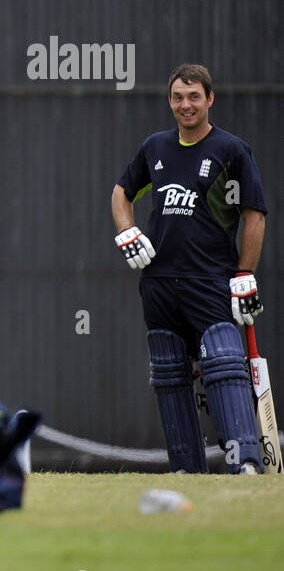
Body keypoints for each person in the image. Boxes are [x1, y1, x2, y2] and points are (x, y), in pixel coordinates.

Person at [112, 63, 267, 474]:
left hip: (210, 279)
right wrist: (127, 232)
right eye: (178, 97)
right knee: (168, 371)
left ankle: (245, 462)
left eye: (194, 96)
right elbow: (121, 192)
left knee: (224, 365)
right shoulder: (155, 148)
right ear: (170, 101)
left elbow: (254, 215)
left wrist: (244, 273)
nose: (186, 105)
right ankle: (186, 469)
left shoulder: (231, 150)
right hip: (159, 282)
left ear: (209, 99)